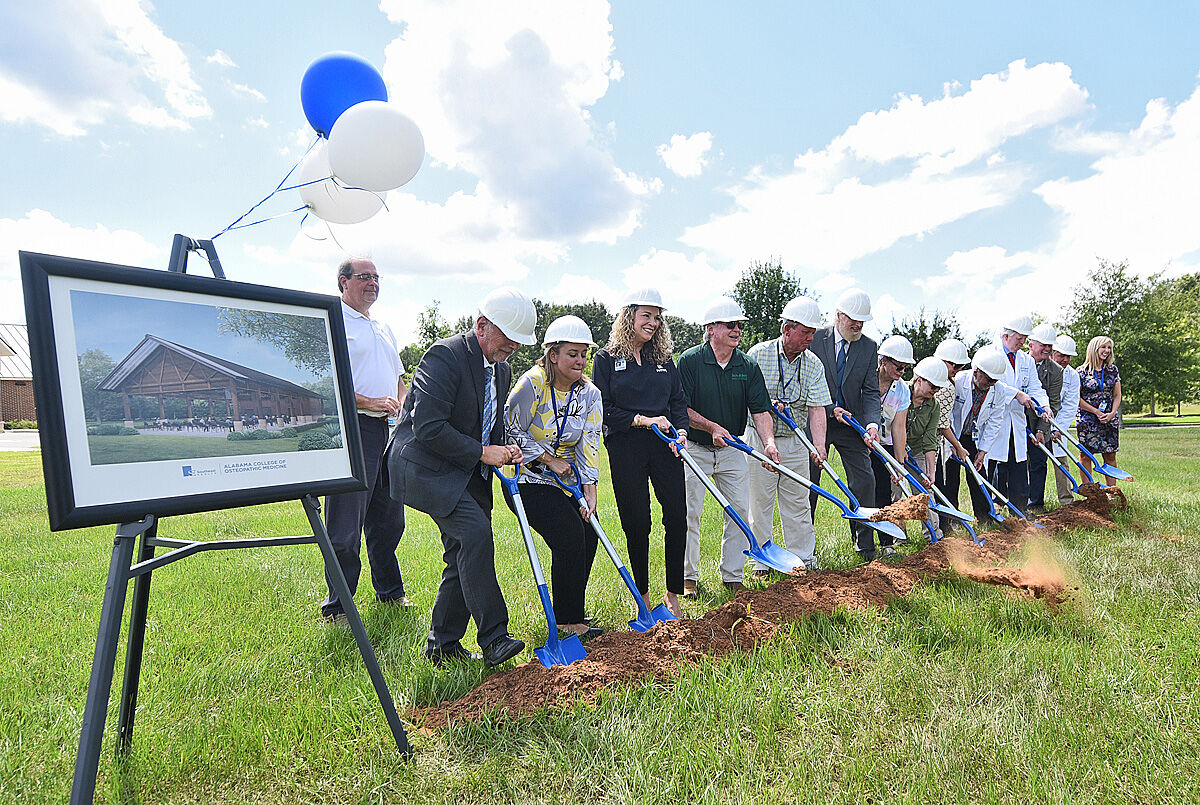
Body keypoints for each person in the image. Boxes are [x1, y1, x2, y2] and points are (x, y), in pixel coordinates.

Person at [386, 287, 536, 668]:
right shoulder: (445, 356)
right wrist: (483, 452)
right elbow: (429, 427)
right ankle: (495, 637)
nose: (513, 348)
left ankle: (444, 647)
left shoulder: (502, 368)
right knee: (474, 534)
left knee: (460, 553)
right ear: (482, 325)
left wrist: (503, 448)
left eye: (520, 343)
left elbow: (485, 421)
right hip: (424, 467)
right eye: (508, 339)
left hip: (464, 470)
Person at [502, 316, 603, 642]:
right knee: (569, 534)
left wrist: (590, 490)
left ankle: (569, 611)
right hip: (527, 480)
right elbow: (510, 431)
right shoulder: (531, 385)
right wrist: (548, 459)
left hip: (568, 482)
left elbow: (589, 441)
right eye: (572, 353)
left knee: (589, 534)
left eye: (583, 354)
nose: (580, 361)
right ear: (553, 354)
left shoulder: (590, 394)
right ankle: (569, 622)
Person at [320, 258, 409, 625]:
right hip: (352, 430)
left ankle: (390, 593)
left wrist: (401, 406)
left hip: (388, 433)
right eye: (364, 277)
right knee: (344, 526)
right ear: (344, 282)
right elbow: (325, 383)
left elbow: (399, 378)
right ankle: (338, 607)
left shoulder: (383, 326)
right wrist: (369, 402)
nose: (372, 282)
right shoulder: (333, 321)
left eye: (376, 277)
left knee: (389, 520)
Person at [592, 288, 689, 616]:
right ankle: (643, 596)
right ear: (628, 316)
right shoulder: (604, 359)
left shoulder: (663, 359)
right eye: (646, 315)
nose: (653, 322)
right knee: (637, 523)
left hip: (666, 445)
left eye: (657, 317)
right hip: (626, 447)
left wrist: (683, 432)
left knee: (677, 517)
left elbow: (678, 400)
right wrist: (642, 420)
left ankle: (673, 593)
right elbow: (603, 408)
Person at [678, 297, 782, 592]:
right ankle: (688, 577)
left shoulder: (747, 366)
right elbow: (680, 409)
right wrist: (710, 427)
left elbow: (760, 411)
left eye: (740, 325)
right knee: (689, 513)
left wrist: (769, 443)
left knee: (737, 511)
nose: (737, 330)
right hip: (695, 448)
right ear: (711, 328)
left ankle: (733, 576)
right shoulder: (690, 361)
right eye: (731, 325)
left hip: (734, 448)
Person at [745, 296, 830, 572]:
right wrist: (766, 406)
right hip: (759, 439)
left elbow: (817, 409)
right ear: (787, 330)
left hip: (795, 442)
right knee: (760, 503)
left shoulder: (814, 364)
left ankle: (802, 561)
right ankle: (761, 562)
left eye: (812, 333)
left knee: (798, 502)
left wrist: (818, 446)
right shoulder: (758, 355)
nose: (810, 338)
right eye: (805, 332)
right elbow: (744, 399)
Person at [808, 289, 882, 561]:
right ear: (838, 316)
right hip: (815, 419)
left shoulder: (869, 347)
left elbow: (871, 391)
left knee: (864, 480)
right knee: (809, 482)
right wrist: (829, 409)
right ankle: (806, 546)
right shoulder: (814, 339)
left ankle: (864, 543)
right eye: (853, 319)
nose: (858, 325)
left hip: (849, 423)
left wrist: (872, 423)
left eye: (862, 321)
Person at [947, 348, 1034, 520]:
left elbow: (995, 422)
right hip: (950, 434)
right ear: (977, 372)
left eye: (995, 380)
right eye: (988, 379)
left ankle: (985, 518)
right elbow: (948, 414)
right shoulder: (958, 382)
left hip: (972, 436)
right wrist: (952, 444)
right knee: (951, 479)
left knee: (978, 477)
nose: (991, 383)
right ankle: (952, 520)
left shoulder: (999, 390)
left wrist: (983, 452)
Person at [986, 315, 1050, 515]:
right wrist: (1016, 394)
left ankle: (1020, 510)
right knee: (992, 465)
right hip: (994, 418)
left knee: (1018, 465)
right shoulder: (990, 354)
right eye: (1019, 339)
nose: (1022, 343)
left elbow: (1035, 387)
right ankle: (988, 509)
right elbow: (991, 382)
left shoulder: (1025, 360)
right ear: (1006, 336)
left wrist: (1045, 406)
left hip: (1017, 420)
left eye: (1024, 339)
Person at [866, 335, 915, 554]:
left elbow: (899, 427)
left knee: (883, 492)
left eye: (906, 368)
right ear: (883, 360)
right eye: (898, 366)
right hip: (863, 441)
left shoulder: (902, 390)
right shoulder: (867, 379)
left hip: (884, 444)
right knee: (863, 489)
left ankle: (886, 543)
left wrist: (899, 463)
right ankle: (864, 543)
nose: (902, 371)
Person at [907, 357, 951, 541]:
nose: (936, 391)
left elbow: (930, 439)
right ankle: (897, 539)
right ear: (919, 380)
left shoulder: (934, 405)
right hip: (892, 449)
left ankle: (934, 536)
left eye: (938, 388)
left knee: (925, 490)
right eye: (933, 386)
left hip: (916, 449)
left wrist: (930, 472)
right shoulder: (901, 392)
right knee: (895, 490)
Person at [931, 339, 972, 535]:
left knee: (936, 485)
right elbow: (942, 424)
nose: (956, 369)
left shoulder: (929, 377)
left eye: (960, 366)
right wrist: (957, 445)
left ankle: (940, 527)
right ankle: (942, 528)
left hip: (924, 441)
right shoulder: (946, 387)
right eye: (953, 365)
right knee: (937, 485)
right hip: (932, 445)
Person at [1025, 324, 1064, 512]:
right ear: (1031, 344)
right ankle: (1007, 500)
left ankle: (1036, 504)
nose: (1048, 349)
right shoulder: (1018, 362)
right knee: (1008, 462)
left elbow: (1053, 402)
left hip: (1040, 421)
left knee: (1038, 461)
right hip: (1014, 418)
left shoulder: (1056, 371)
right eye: (1043, 345)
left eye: (1050, 345)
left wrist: (1041, 429)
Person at [1077, 335, 1123, 486]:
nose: (1107, 351)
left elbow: (1117, 395)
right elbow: (1076, 399)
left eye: (1109, 348)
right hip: (1088, 420)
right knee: (1085, 455)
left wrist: (1112, 413)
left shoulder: (1112, 370)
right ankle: (1089, 491)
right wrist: (1095, 412)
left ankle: (1111, 491)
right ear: (1094, 349)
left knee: (1110, 455)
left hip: (1108, 419)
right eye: (1103, 347)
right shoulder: (1081, 372)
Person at [1051, 335, 1081, 504]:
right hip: (1037, 423)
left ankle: (1066, 500)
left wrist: (1058, 428)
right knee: (1032, 465)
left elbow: (1070, 405)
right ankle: (1032, 501)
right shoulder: (1042, 369)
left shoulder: (1072, 375)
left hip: (1058, 425)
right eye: (1061, 355)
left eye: (1068, 356)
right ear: (1052, 353)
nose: (1065, 360)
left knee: (1061, 462)